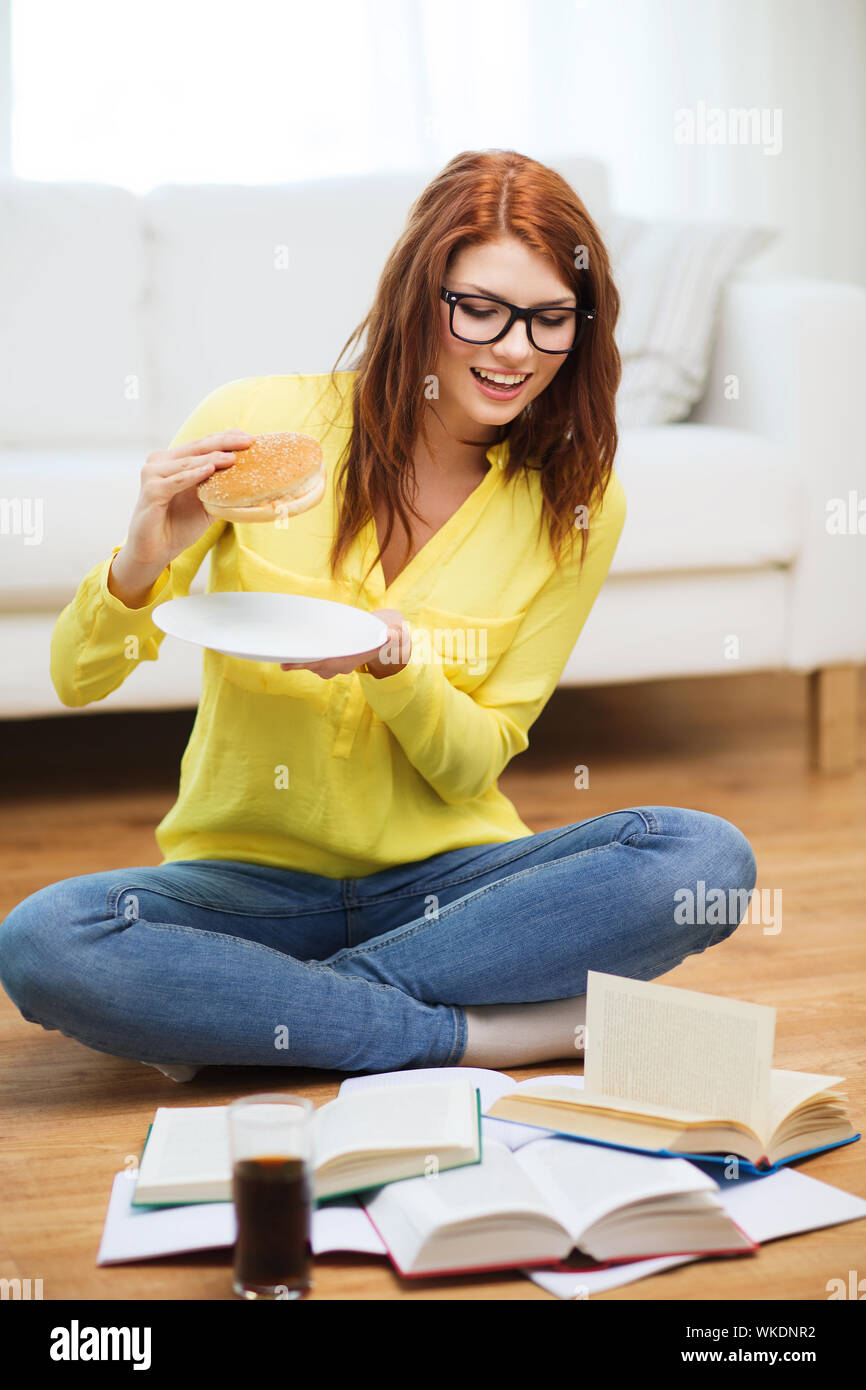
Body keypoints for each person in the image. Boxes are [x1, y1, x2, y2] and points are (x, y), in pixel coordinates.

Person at [0, 150, 756, 1082]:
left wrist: (401, 674)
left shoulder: (577, 502)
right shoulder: (260, 424)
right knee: (45, 940)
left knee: (705, 861)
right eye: (480, 307)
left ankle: (255, 1008)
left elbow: (479, 755)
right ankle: (472, 1035)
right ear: (418, 294)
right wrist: (143, 556)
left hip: (452, 887)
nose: (515, 348)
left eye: (550, 318)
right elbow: (78, 679)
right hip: (244, 884)